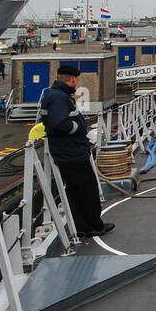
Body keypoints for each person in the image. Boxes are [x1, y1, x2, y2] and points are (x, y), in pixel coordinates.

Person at [41, 64, 113, 237]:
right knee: (87, 190)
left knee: (74, 192)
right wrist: (79, 129)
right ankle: (94, 226)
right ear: (73, 79)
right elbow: (59, 124)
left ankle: (81, 227)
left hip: (66, 152)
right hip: (71, 153)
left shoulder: (54, 95)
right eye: (77, 79)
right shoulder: (59, 98)